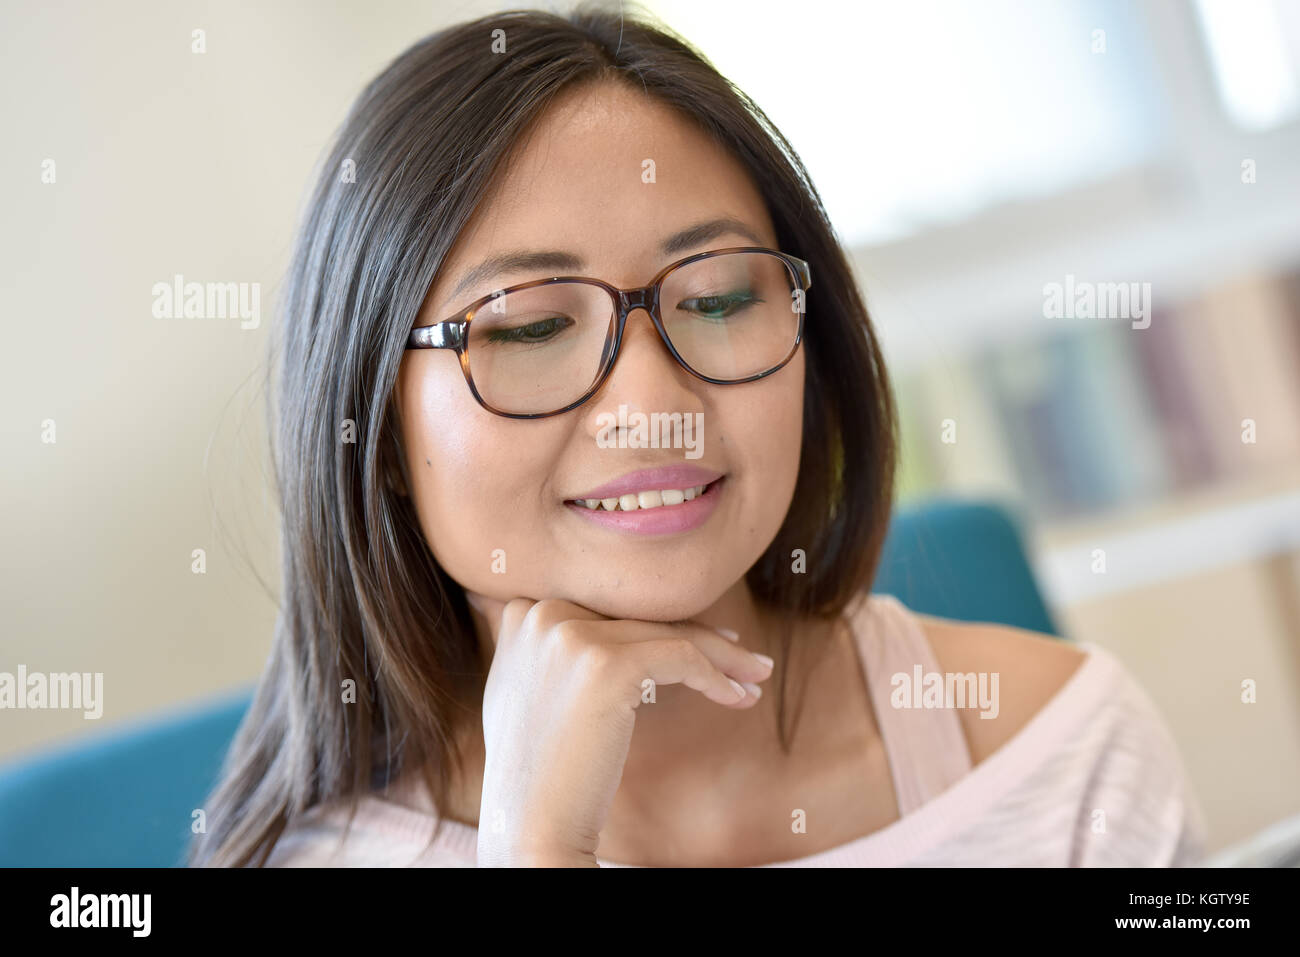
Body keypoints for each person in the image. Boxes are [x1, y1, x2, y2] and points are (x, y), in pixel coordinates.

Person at [188, 3, 1207, 868]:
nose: (651, 402)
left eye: (717, 299)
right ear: (375, 424)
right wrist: (538, 842)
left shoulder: (1065, 752)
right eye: (533, 325)